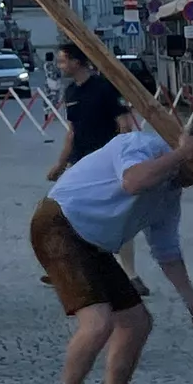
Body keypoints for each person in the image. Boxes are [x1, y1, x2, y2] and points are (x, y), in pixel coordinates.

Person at [29, 121, 193, 384]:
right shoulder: (140, 145)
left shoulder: (170, 191)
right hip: (60, 226)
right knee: (98, 324)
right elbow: (133, 182)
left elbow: (167, 251)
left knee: (136, 322)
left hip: (95, 245)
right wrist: (181, 154)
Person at [46, 42, 140, 291]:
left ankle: (130, 275)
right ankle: (72, 269)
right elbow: (72, 133)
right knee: (70, 214)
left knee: (116, 216)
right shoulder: (71, 93)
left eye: (63, 60)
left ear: (77, 62)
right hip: (80, 164)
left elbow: (124, 125)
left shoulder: (104, 88)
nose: (60, 65)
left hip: (107, 164)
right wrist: (61, 164)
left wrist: (121, 160)